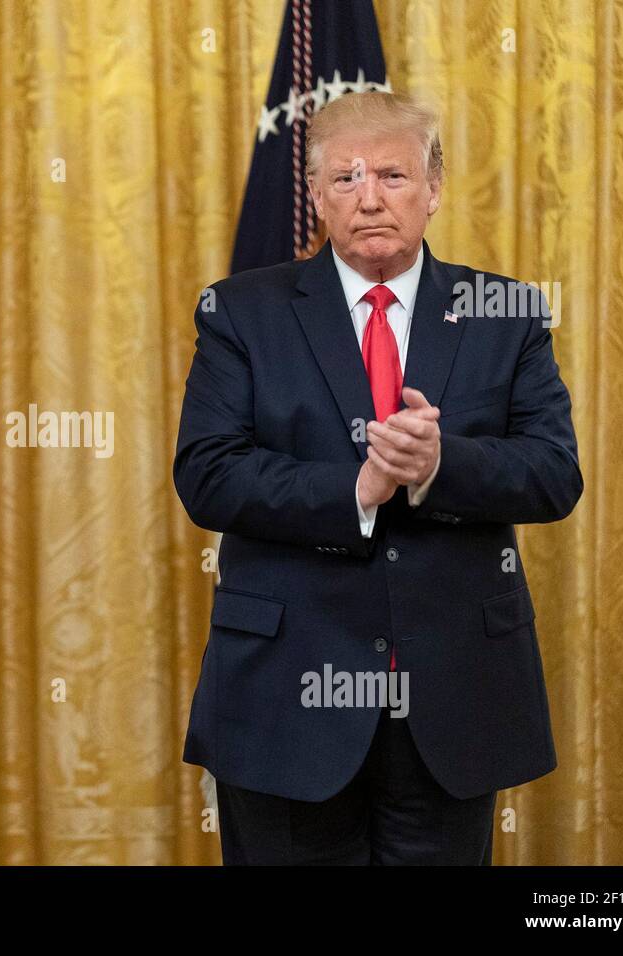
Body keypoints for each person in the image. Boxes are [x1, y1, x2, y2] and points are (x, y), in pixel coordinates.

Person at [173, 92, 582, 865]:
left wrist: (437, 466)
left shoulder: (505, 312)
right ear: (318, 196)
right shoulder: (239, 312)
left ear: (434, 189)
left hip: (450, 701)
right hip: (285, 697)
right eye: (346, 177)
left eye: (392, 175)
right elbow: (208, 474)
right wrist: (357, 489)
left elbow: (555, 473)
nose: (369, 198)